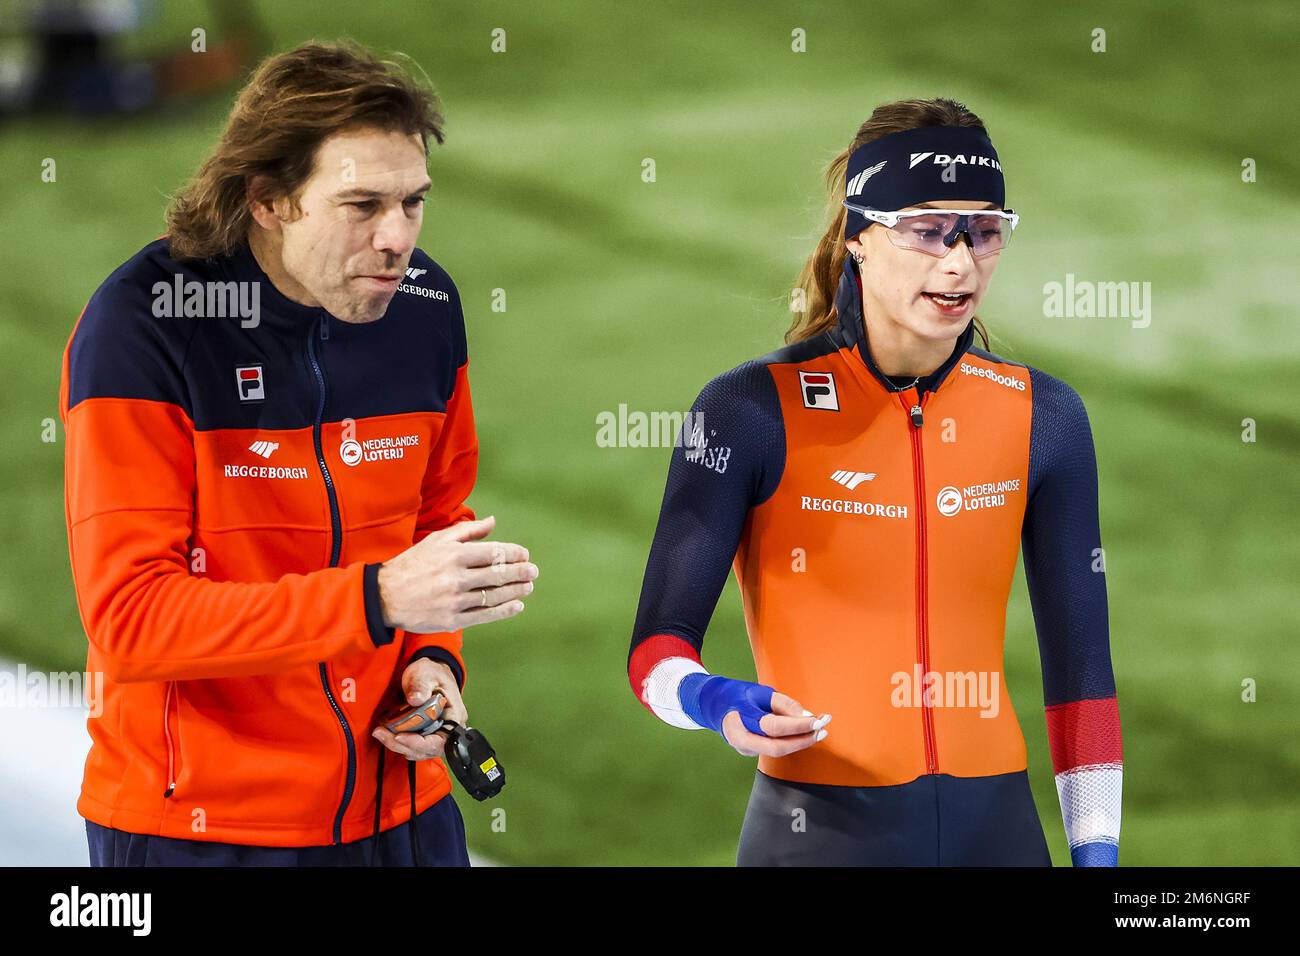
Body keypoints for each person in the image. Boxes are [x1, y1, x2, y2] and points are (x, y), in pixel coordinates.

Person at [60, 39, 538, 867]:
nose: (398, 239)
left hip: (404, 812)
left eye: (413, 202)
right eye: (362, 206)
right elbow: (132, 620)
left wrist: (432, 660)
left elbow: (434, 520)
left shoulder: (422, 306)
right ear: (270, 199)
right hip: (205, 833)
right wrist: (376, 599)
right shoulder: (144, 327)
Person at [626, 97, 1122, 866]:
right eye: (928, 231)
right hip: (816, 834)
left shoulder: (1043, 417)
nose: (960, 263)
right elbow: (655, 652)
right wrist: (713, 700)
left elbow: (1082, 670)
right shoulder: (749, 412)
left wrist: (1097, 854)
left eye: (984, 231)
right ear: (860, 235)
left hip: (998, 832)